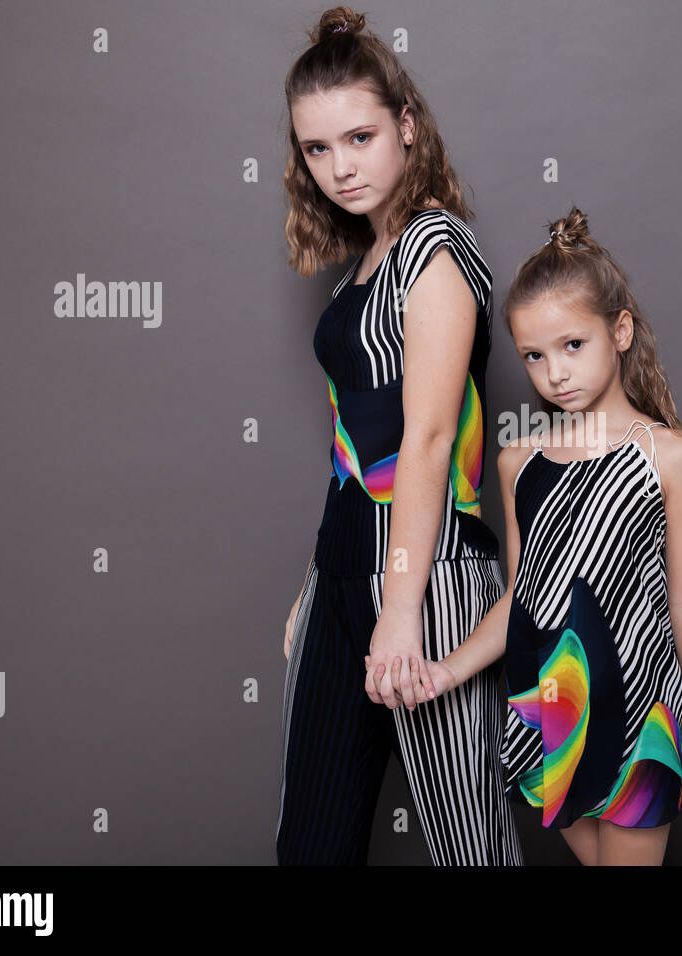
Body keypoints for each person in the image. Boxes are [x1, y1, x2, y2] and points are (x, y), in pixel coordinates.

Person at [274, 6, 522, 866]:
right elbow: (354, 447)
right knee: (311, 844)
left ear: (406, 127)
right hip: (345, 566)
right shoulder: (362, 268)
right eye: (317, 149)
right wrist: (319, 579)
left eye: (360, 137)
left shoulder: (436, 250)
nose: (339, 168)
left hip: (430, 580)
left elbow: (425, 440)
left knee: (468, 851)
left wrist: (401, 607)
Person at [407, 207, 682, 865]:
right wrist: (446, 671)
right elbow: (522, 598)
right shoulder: (519, 462)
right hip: (550, 711)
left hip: (644, 714)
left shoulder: (668, 454)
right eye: (534, 357)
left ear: (621, 330)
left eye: (573, 345)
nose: (555, 374)